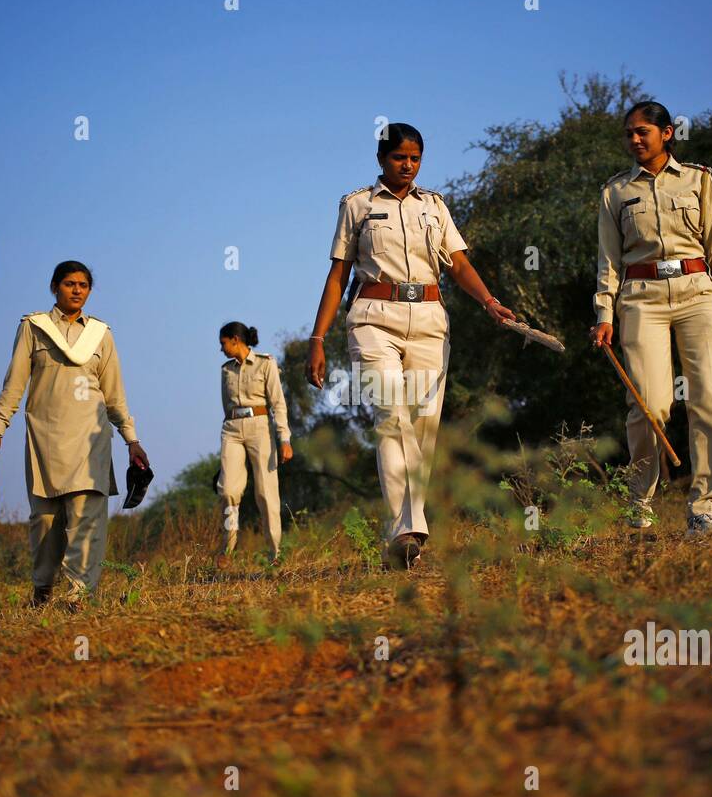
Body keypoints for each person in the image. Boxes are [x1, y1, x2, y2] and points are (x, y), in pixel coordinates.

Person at [305, 123, 516, 569]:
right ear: (381, 159)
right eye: (400, 157)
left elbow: (458, 263)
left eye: (416, 158)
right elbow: (337, 277)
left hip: (429, 321)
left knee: (423, 428)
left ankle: (406, 540)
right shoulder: (356, 205)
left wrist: (490, 302)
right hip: (372, 320)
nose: (408, 165)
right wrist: (317, 338)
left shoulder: (435, 207)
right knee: (391, 413)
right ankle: (407, 528)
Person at [589, 101, 712, 539]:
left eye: (643, 131)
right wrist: (604, 313)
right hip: (640, 298)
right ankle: (639, 502)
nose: (634, 140)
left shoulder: (699, 180)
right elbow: (608, 261)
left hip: (698, 293)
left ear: (667, 133)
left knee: (711, 399)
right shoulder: (614, 192)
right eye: (628, 133)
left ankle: (705, 510)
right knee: (649, 402)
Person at [0, 260, 149, 607]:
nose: (77, 290)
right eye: (70, 283)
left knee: (87, 518)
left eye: (84, 285)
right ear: (54, 287)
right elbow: (15, 383)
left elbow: (114, 393)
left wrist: (132, 440)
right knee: (45, 521)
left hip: (91, 438)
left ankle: (79, 596)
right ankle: (42, 589)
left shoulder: (101, 333)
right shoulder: (34, 327)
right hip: (46, 438)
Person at [216, 322, 292, 564]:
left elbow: (278, 403)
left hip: (260, 427)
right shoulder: (226, 370)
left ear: (235, 340)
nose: (221, 349)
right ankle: (227, 548)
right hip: (231, 429)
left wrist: (284, 438)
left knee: (265, 492)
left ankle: (275, 553)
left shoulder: (265, 363)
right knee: (227, 490)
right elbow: (225, 405)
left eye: (223, 343)